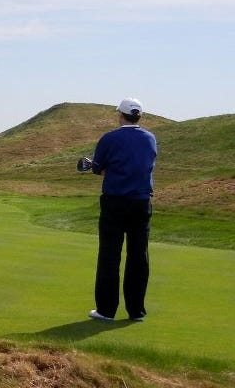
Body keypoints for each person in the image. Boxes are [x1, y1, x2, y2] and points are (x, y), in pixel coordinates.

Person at [86, 98, 158, 322]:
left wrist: (105, 169)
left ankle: (106, 311)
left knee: (110, 255)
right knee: (138, 256)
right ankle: (136, 311)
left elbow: (97, 168)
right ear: (139, 116)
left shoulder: (110, 138)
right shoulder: (150, 138)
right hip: (141, 202)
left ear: (120, 115)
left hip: (115, 202)